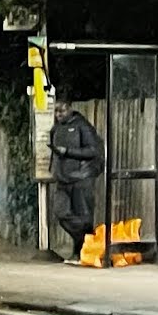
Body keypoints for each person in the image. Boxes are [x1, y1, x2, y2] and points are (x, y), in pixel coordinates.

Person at [49, 101, 105, 263]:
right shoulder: (57, 128)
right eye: (56, 111)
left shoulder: (82, 126)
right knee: (61, 212)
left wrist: (68, 152)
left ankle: (83, 250)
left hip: (81, 178)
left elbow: (93, 150)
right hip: (63, 179)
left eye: (62, 110)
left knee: (83, 215)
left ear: (70, 109)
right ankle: (86, 238)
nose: (59, 114)